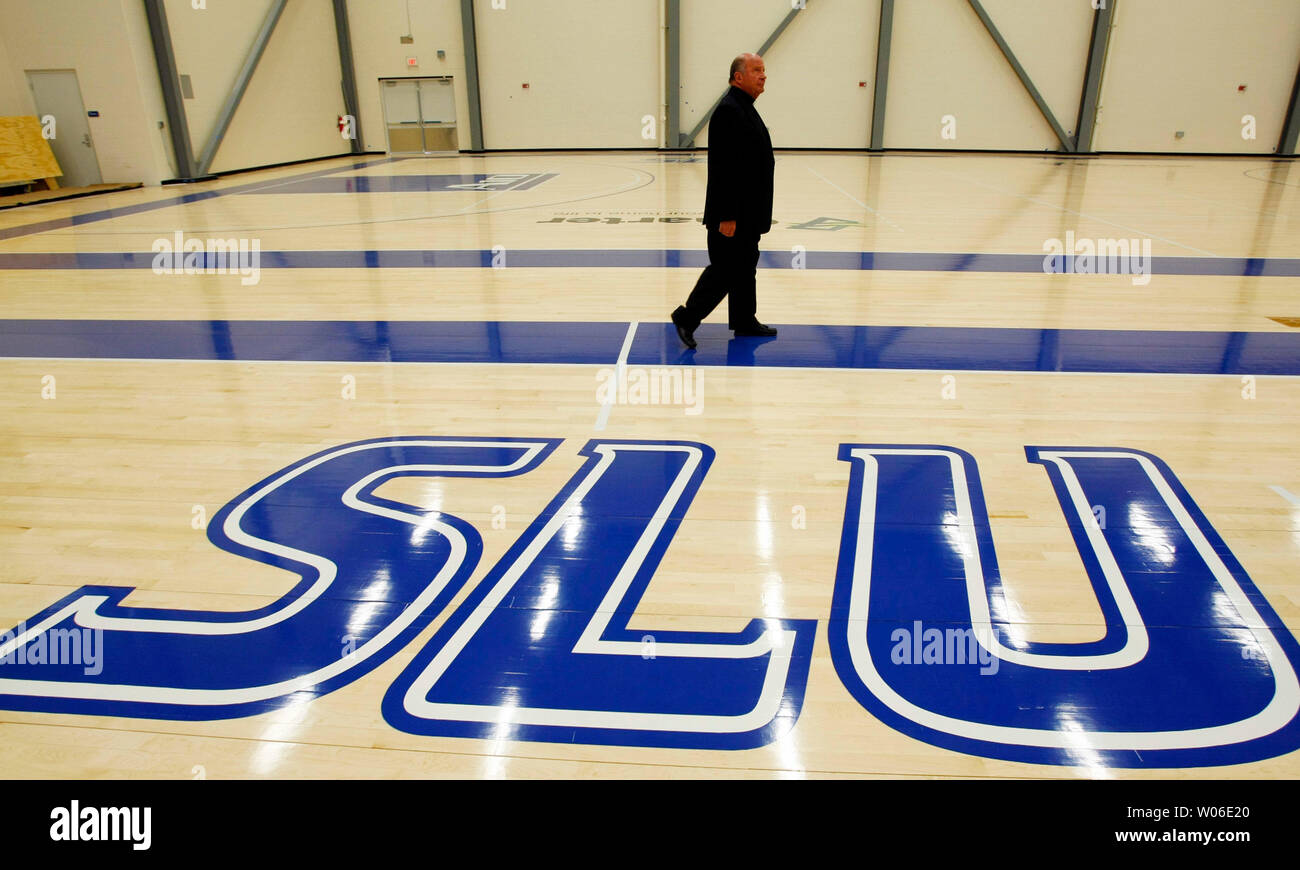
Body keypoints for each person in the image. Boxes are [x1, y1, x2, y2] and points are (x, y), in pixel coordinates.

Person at [671, 53, 778, 349]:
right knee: (726, 268)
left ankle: (744, 319)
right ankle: (686, 317)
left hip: (748, 212)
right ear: (738, 76)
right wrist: (727, 215)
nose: (763, 75)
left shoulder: (743, 107)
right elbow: (723, 168)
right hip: (732, 214)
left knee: (745, 265)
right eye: (757, 70)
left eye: (764, 70)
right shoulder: (730, 110)